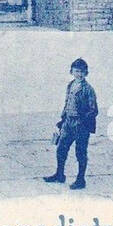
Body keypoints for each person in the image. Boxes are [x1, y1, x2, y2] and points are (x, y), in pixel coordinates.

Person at [44, 57, 99, 190]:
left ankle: (81, 180)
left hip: (81, 126)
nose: (79, 74)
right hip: (68, 123)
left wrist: (82, 121)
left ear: (86, 73)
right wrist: (62, 121)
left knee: (80, 153)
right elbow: (67, 104)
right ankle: (59, 175)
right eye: (76, 71)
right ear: (71, 71)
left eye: (82, 72)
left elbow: (94, 110)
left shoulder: (88, 89)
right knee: (61, 149)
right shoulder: (70, 85)